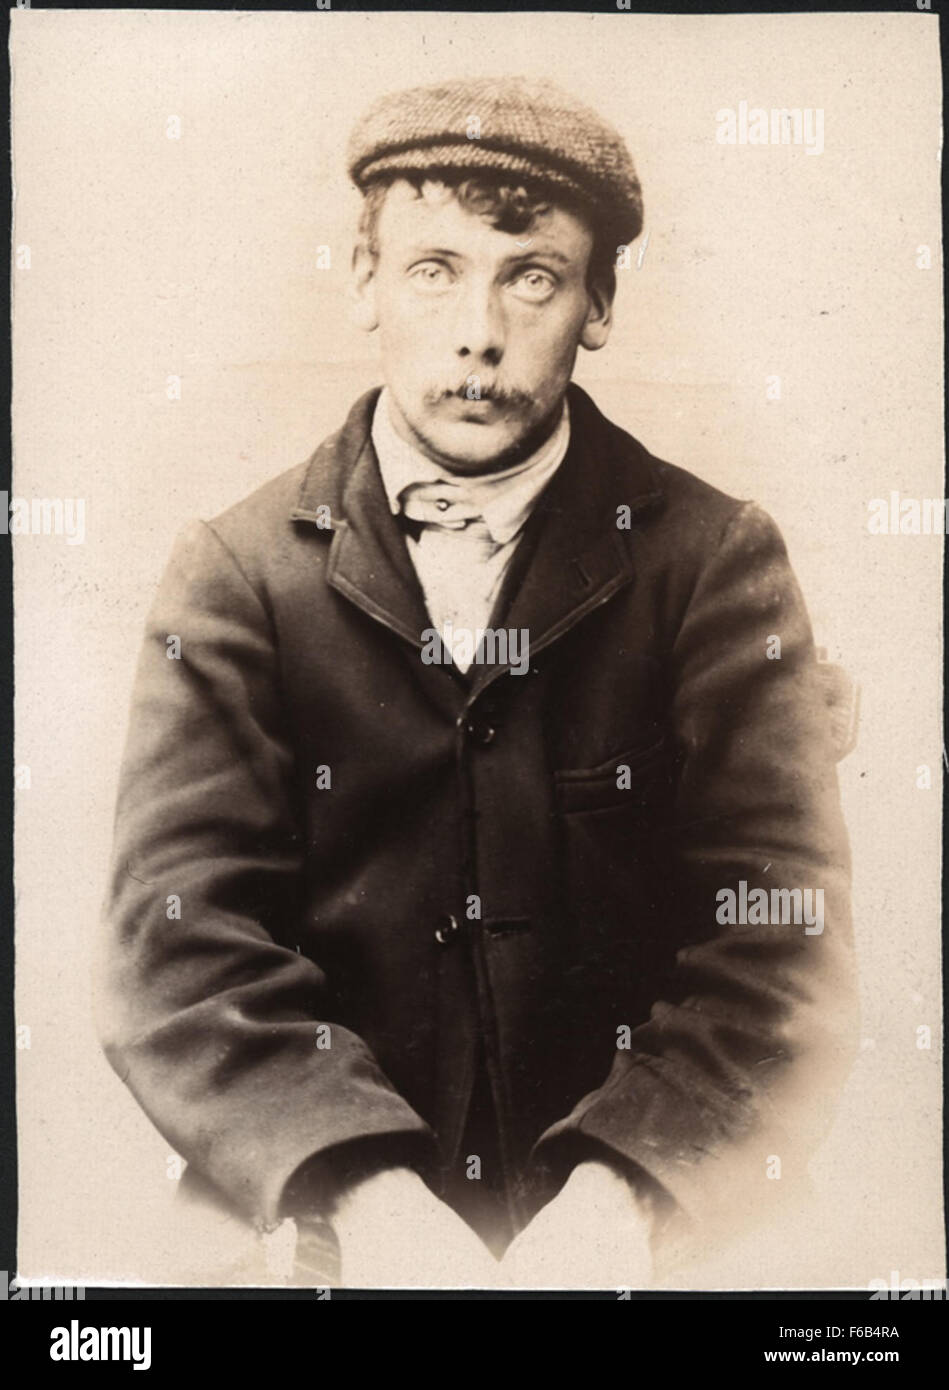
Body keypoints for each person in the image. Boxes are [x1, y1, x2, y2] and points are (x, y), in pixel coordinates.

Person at [97, 76, 858, 1290]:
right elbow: (178, 948)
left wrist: (620, 1193)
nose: (479, 333)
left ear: (598, 302)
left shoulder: (712, 561)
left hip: (646, 1208)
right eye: (434, 269)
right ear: (362, 281)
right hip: (322, 1208)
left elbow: (778, 938)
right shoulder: (236, 575)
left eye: (533, 276)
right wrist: (364, 1192)